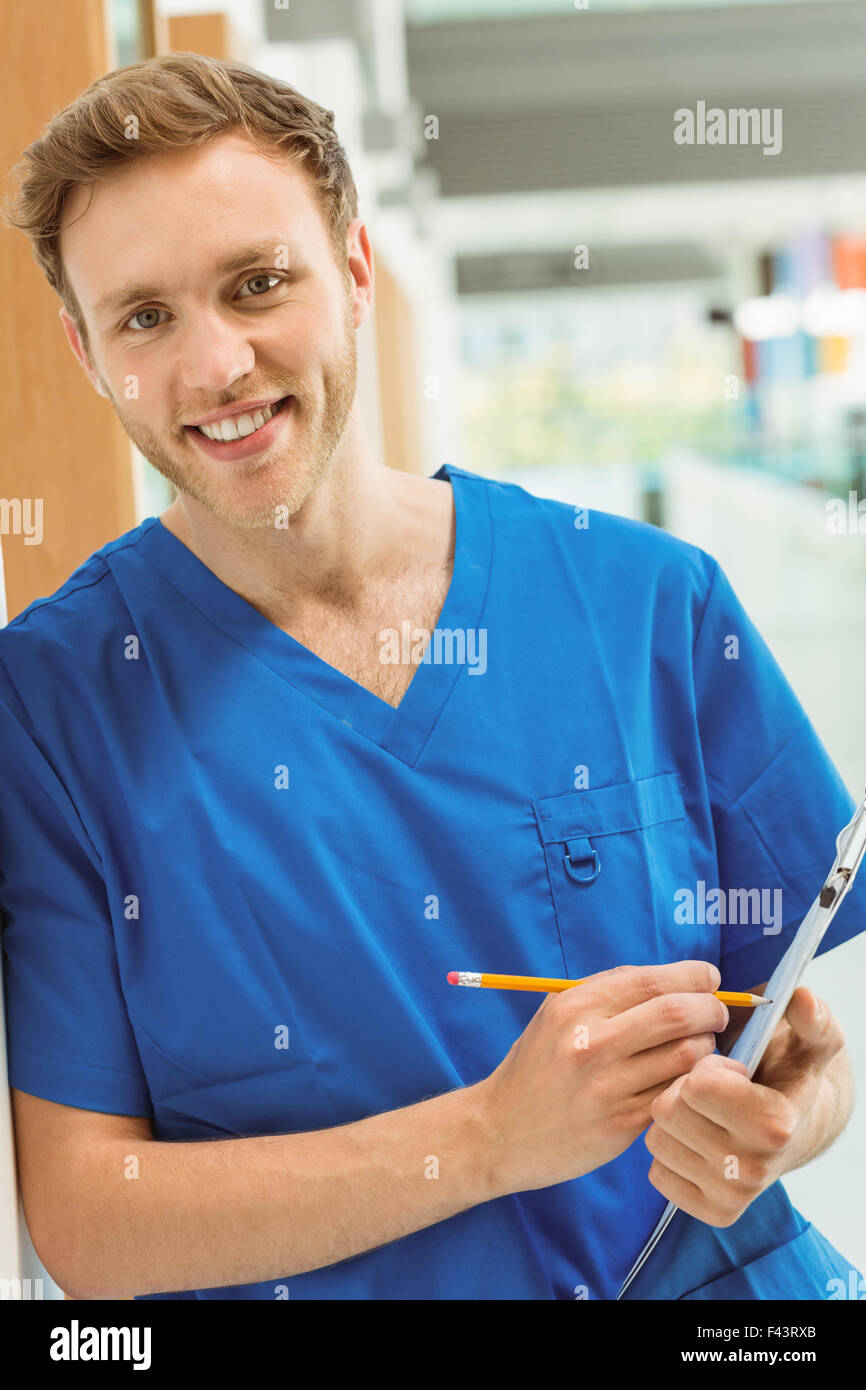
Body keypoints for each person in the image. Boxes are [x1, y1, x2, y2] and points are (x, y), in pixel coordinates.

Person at [0, 53, 862, 1303]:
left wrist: (796, 1111)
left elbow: (798, 1049)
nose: (216, 365)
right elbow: (84, 1221)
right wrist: (484, 1142)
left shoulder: (645, 601)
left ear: (352, 274)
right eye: (145, 317)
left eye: (258, 284)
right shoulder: (53, 706)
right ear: (86, 353)